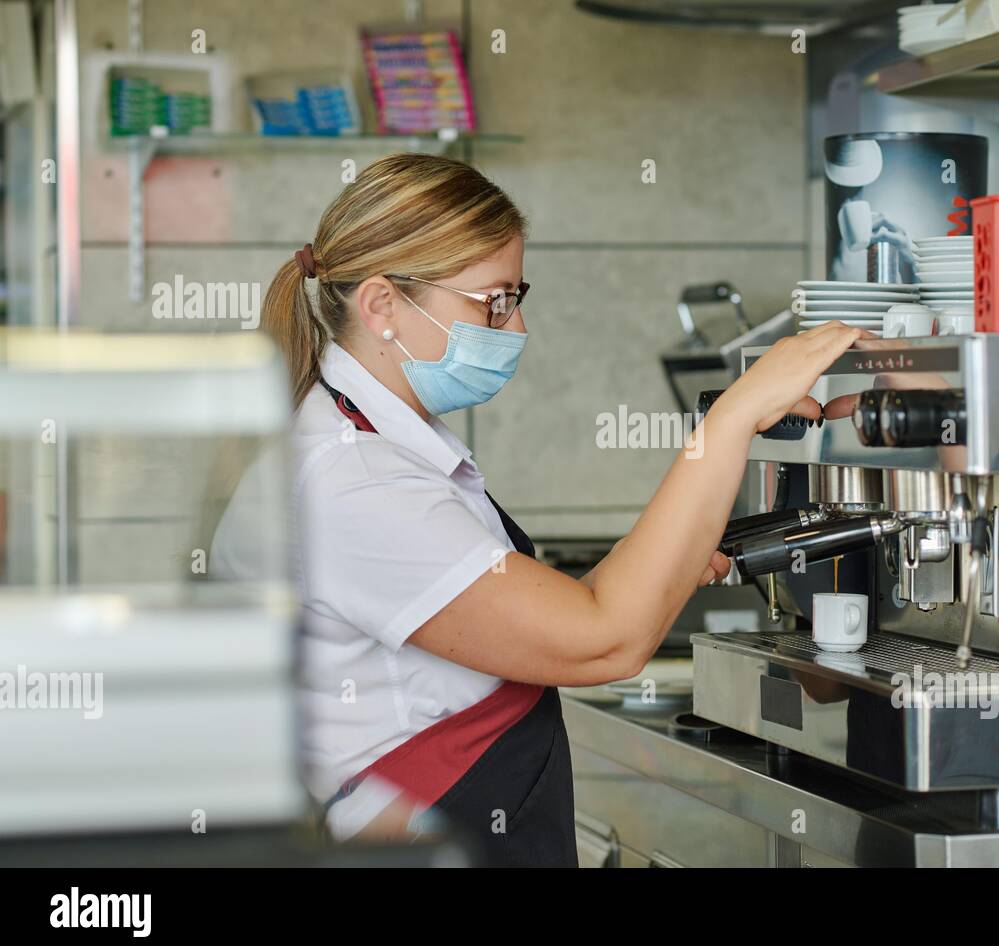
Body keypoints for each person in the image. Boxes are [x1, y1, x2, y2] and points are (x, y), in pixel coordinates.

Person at [211, 153, 867, 866]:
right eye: (492, 302)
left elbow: (542, 609)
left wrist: (665, 563)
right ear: (381, 306)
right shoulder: (351, 479)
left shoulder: (362, 439)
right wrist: (733, 416)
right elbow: (605, 637)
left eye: (515, 297)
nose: (515, 329)